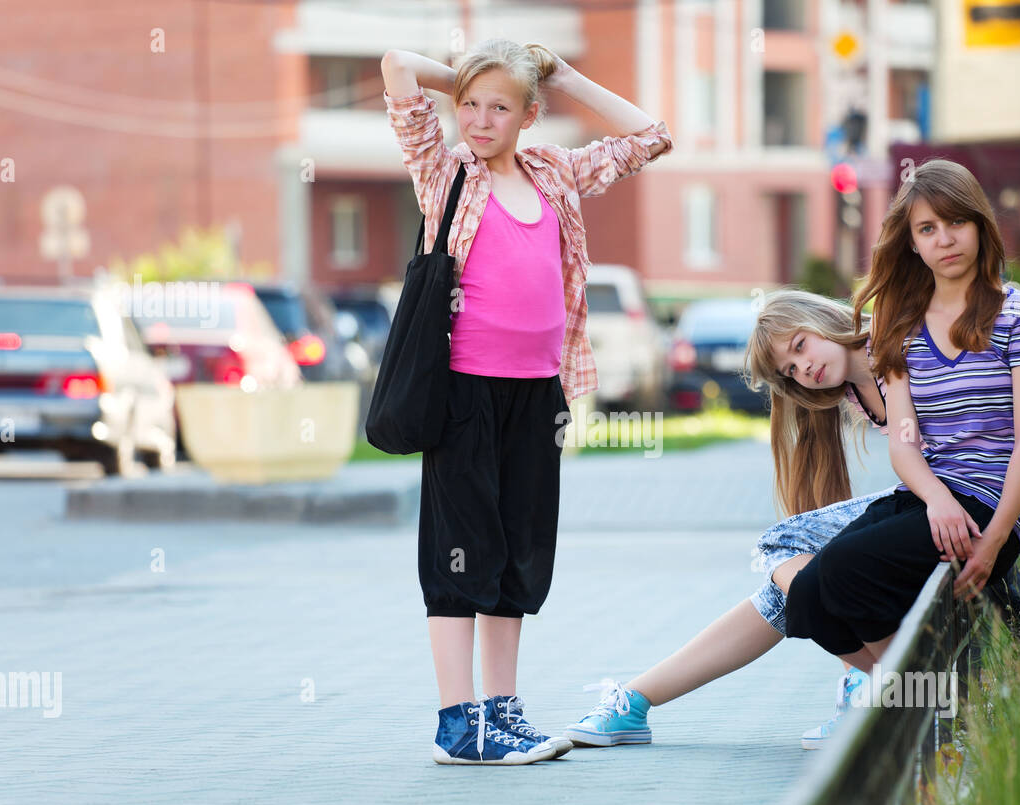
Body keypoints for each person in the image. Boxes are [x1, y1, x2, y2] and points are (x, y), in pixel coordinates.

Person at [382, 39, 672, 764]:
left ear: (530, 116)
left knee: (517, 555)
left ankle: (503, 711)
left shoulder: (556, 173)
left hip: (538, 393)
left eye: (500, 107)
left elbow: (651, 136)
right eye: (470, 106)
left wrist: (565, 74)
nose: (480, 119)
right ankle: (458, 722)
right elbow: (395, 63)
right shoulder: (443, 170)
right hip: (463, 395)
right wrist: (479, 74)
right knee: (459, 556)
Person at [564, 289, 900, 749]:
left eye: (801, 346)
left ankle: (894, 688)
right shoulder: (852, 388)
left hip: (954, 499)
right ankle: (635, 700)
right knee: (789, 587)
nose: (805, 369)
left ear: (823, 318)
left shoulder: (898, 349)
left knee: (782, 545)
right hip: (926, 502)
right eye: (791, 369)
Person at [782, 158, 1020, 677]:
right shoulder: (900, 325)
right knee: (805, 597)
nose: (945, 239)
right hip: (929, 502)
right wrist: (935, 499)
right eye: (928, 229)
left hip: (987, 510)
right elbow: (904, 441)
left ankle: (926, 707)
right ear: (911, 243)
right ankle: (928, 698)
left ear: (980, 225)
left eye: (956, 222)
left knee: (844, 571)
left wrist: (996, 539)